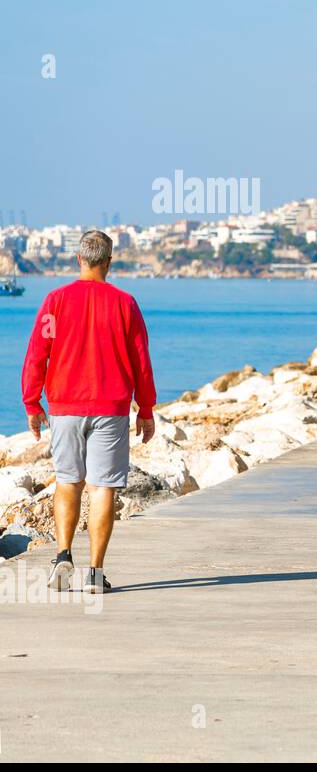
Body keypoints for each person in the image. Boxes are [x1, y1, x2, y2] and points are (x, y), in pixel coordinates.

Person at [22, 230, 157, 595]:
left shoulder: (55, 300)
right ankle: (95, 573)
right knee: (103, 487)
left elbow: (38, 353)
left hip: (65, 406)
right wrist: (145, 408)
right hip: (111, 408)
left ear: (78, 260)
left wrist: (32, 402)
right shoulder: (125, 303)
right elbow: (140, 360)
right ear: (109, 263)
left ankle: (63, 555)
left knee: (68, 480)